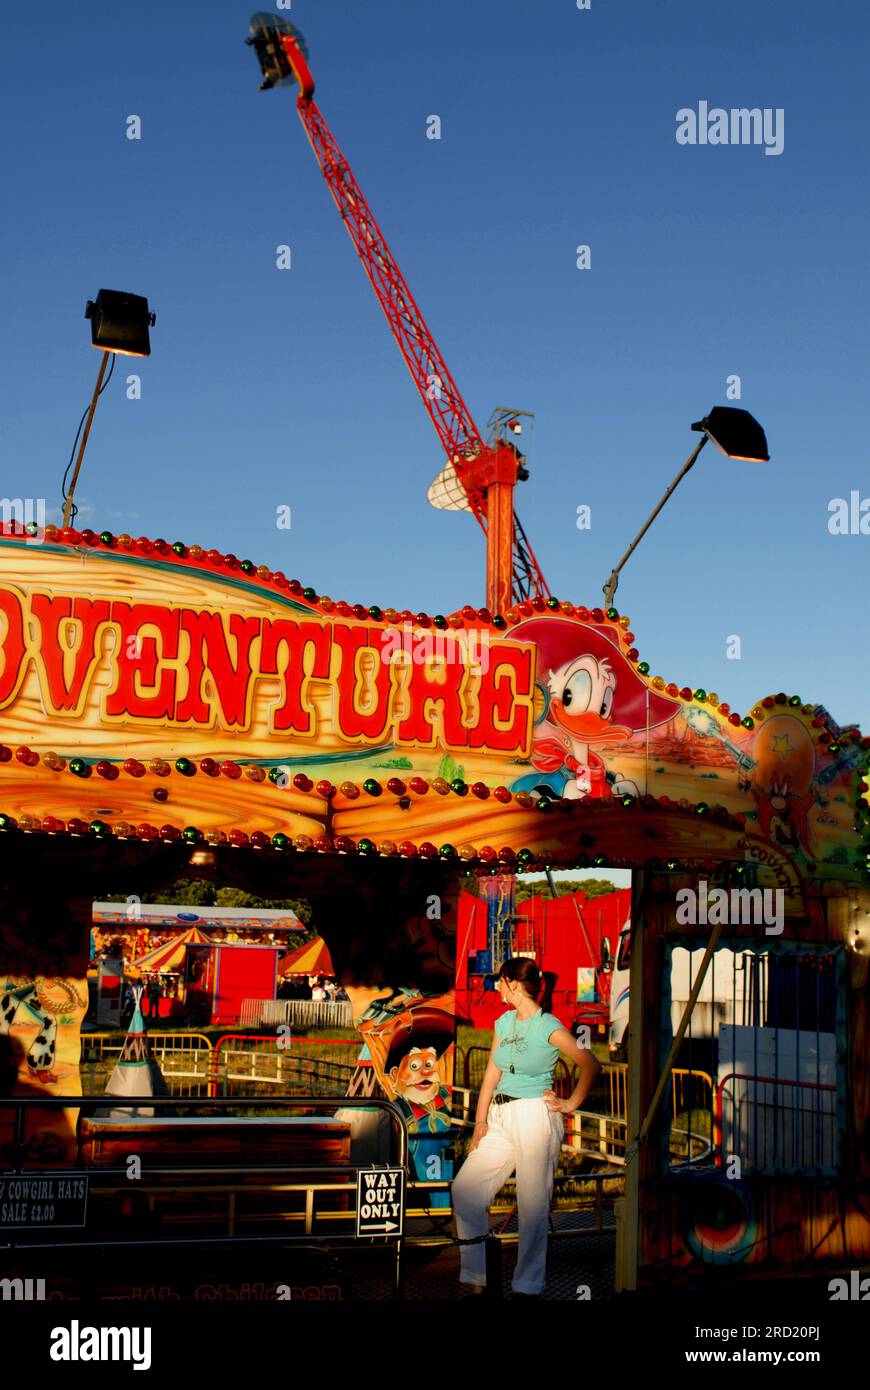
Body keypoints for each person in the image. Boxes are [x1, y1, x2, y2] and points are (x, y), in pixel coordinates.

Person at [451, 957, 601, 1298]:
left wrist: (570, 1104)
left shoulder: (549, 1026)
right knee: (466, 1190)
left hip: (536, 1116)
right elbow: (492, 1072)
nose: (497, 988)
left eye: (500, 982)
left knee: (533, 1204)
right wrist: (480, 1121)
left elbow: (591, 1065)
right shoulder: (503, 1022)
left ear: (513, 985)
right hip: (501, 1118)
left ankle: (527, 1286)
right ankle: (477, 1276)